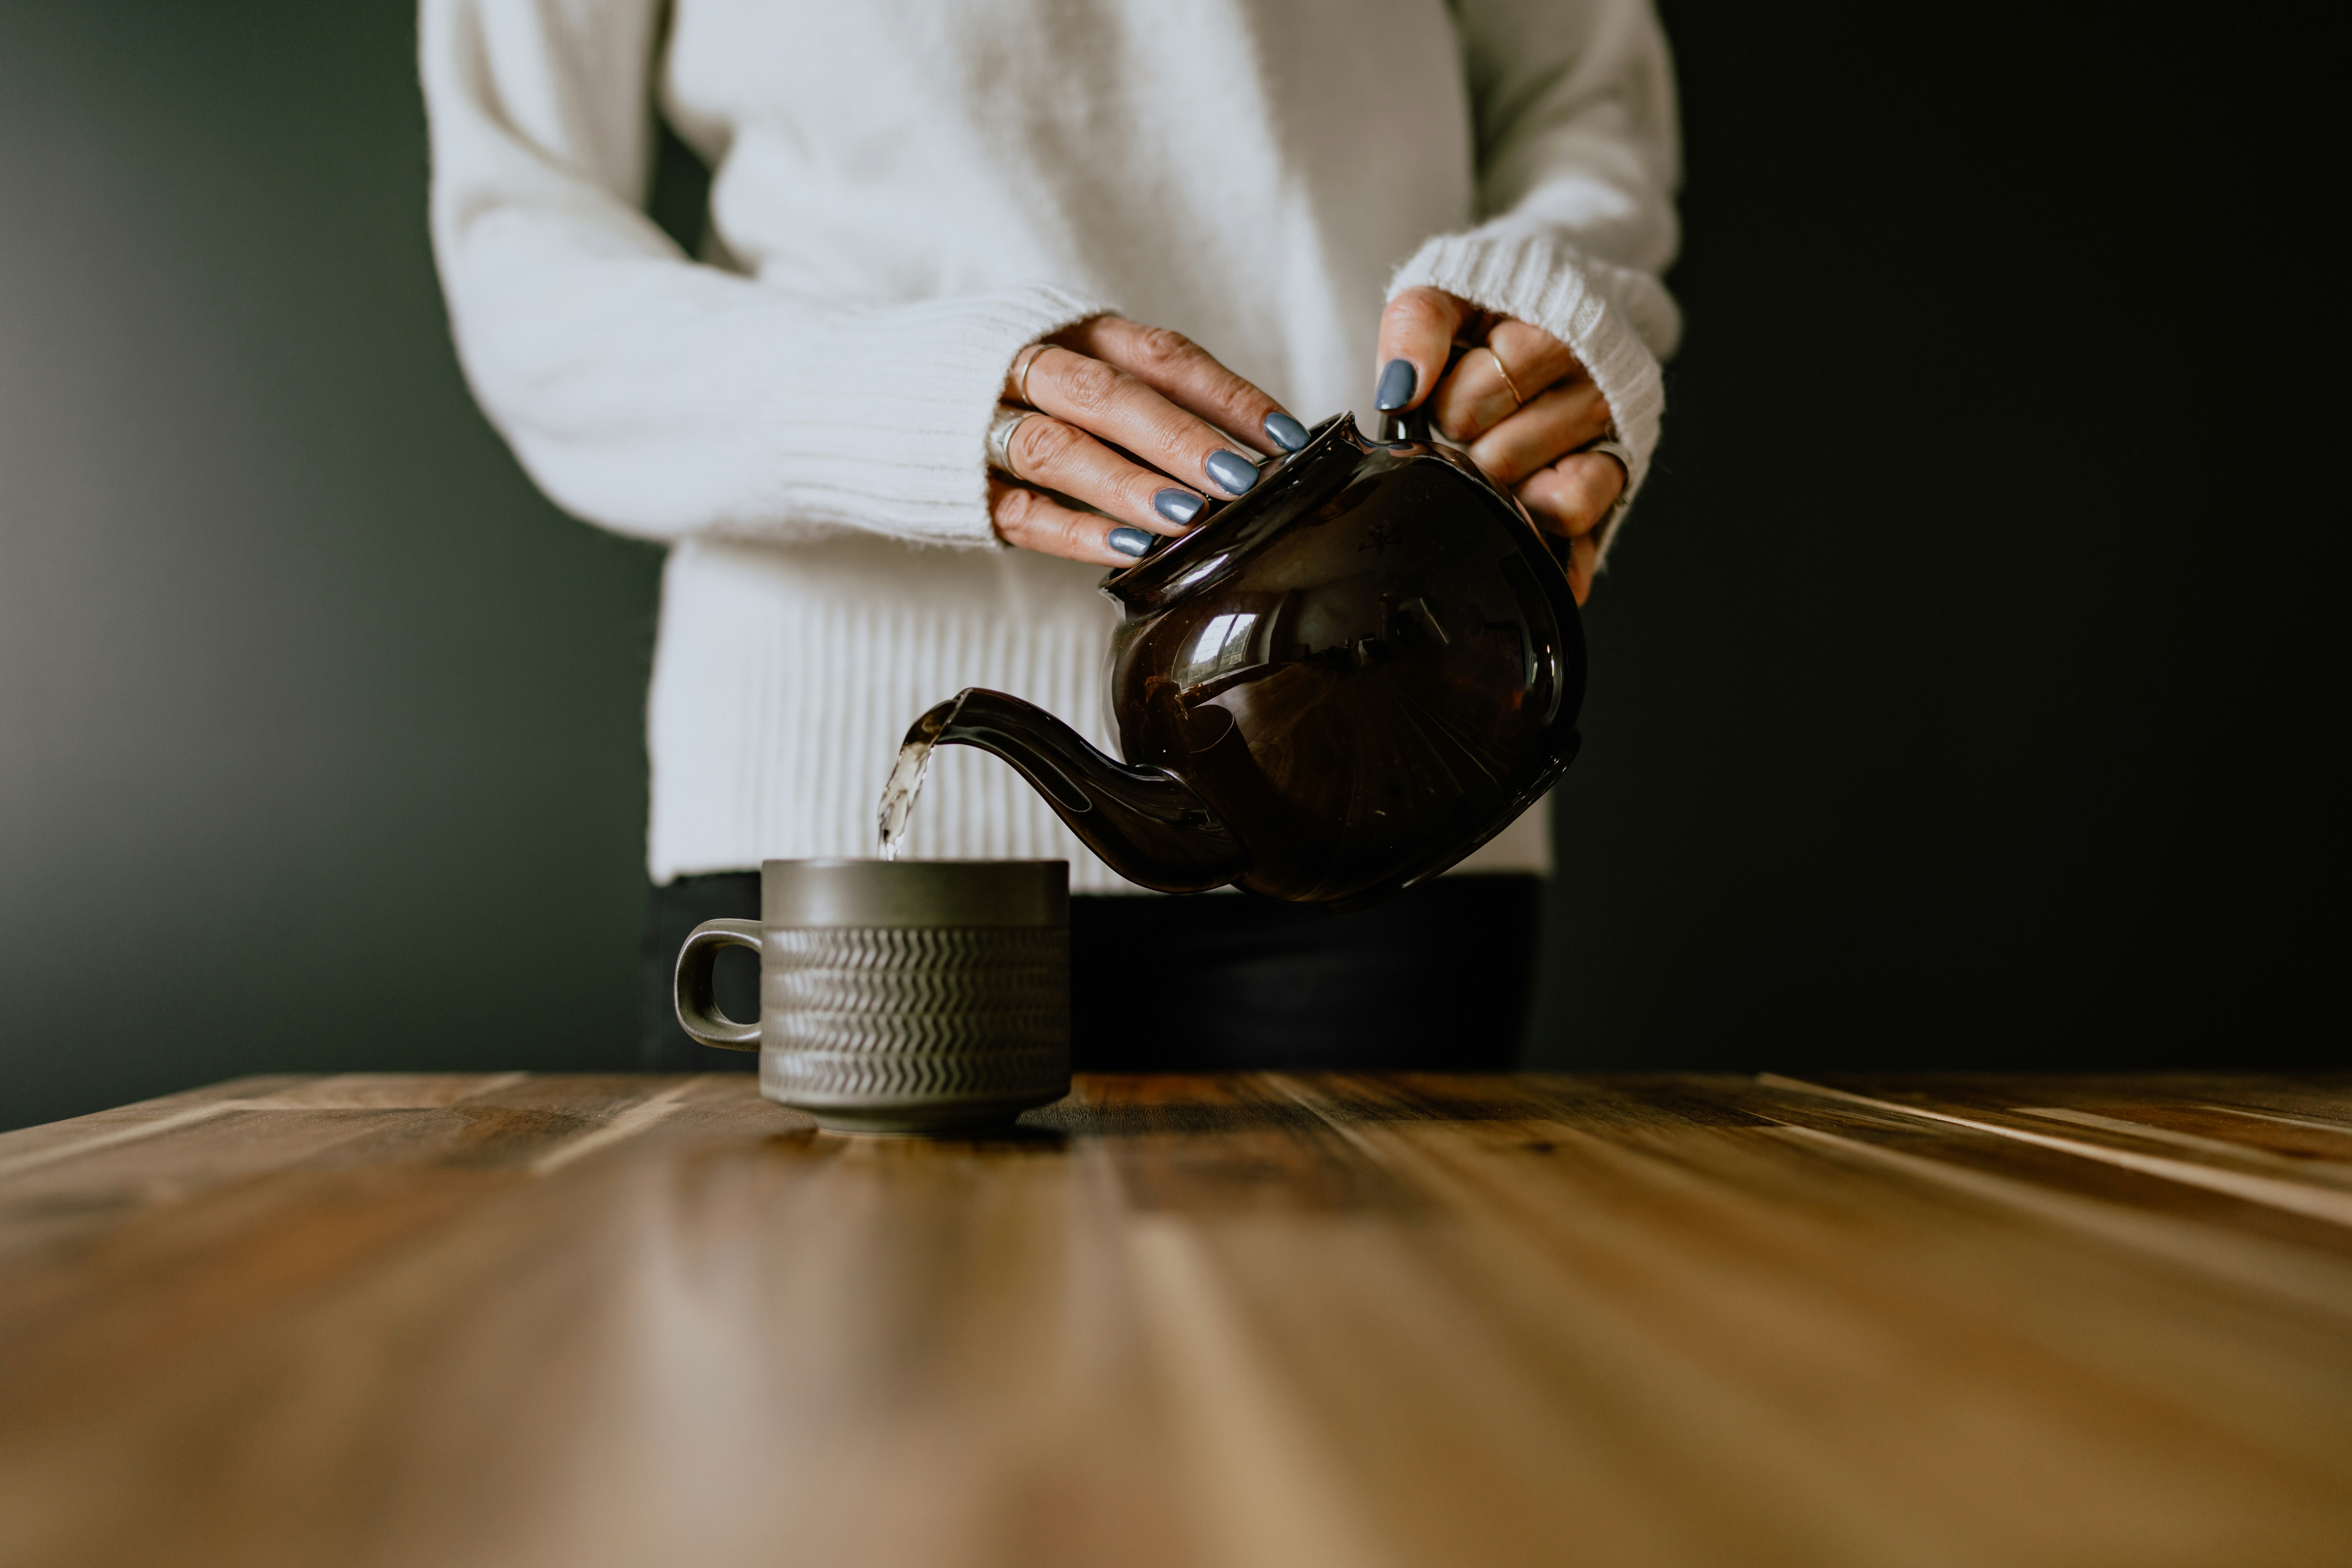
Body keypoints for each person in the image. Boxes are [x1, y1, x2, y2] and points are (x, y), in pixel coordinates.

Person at [421, 0, 1681, 1071]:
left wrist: (1548, 307)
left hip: (1385, 769)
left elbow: (1588, 100)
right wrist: (909, 403)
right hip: (825, 839)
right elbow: (520, 250)